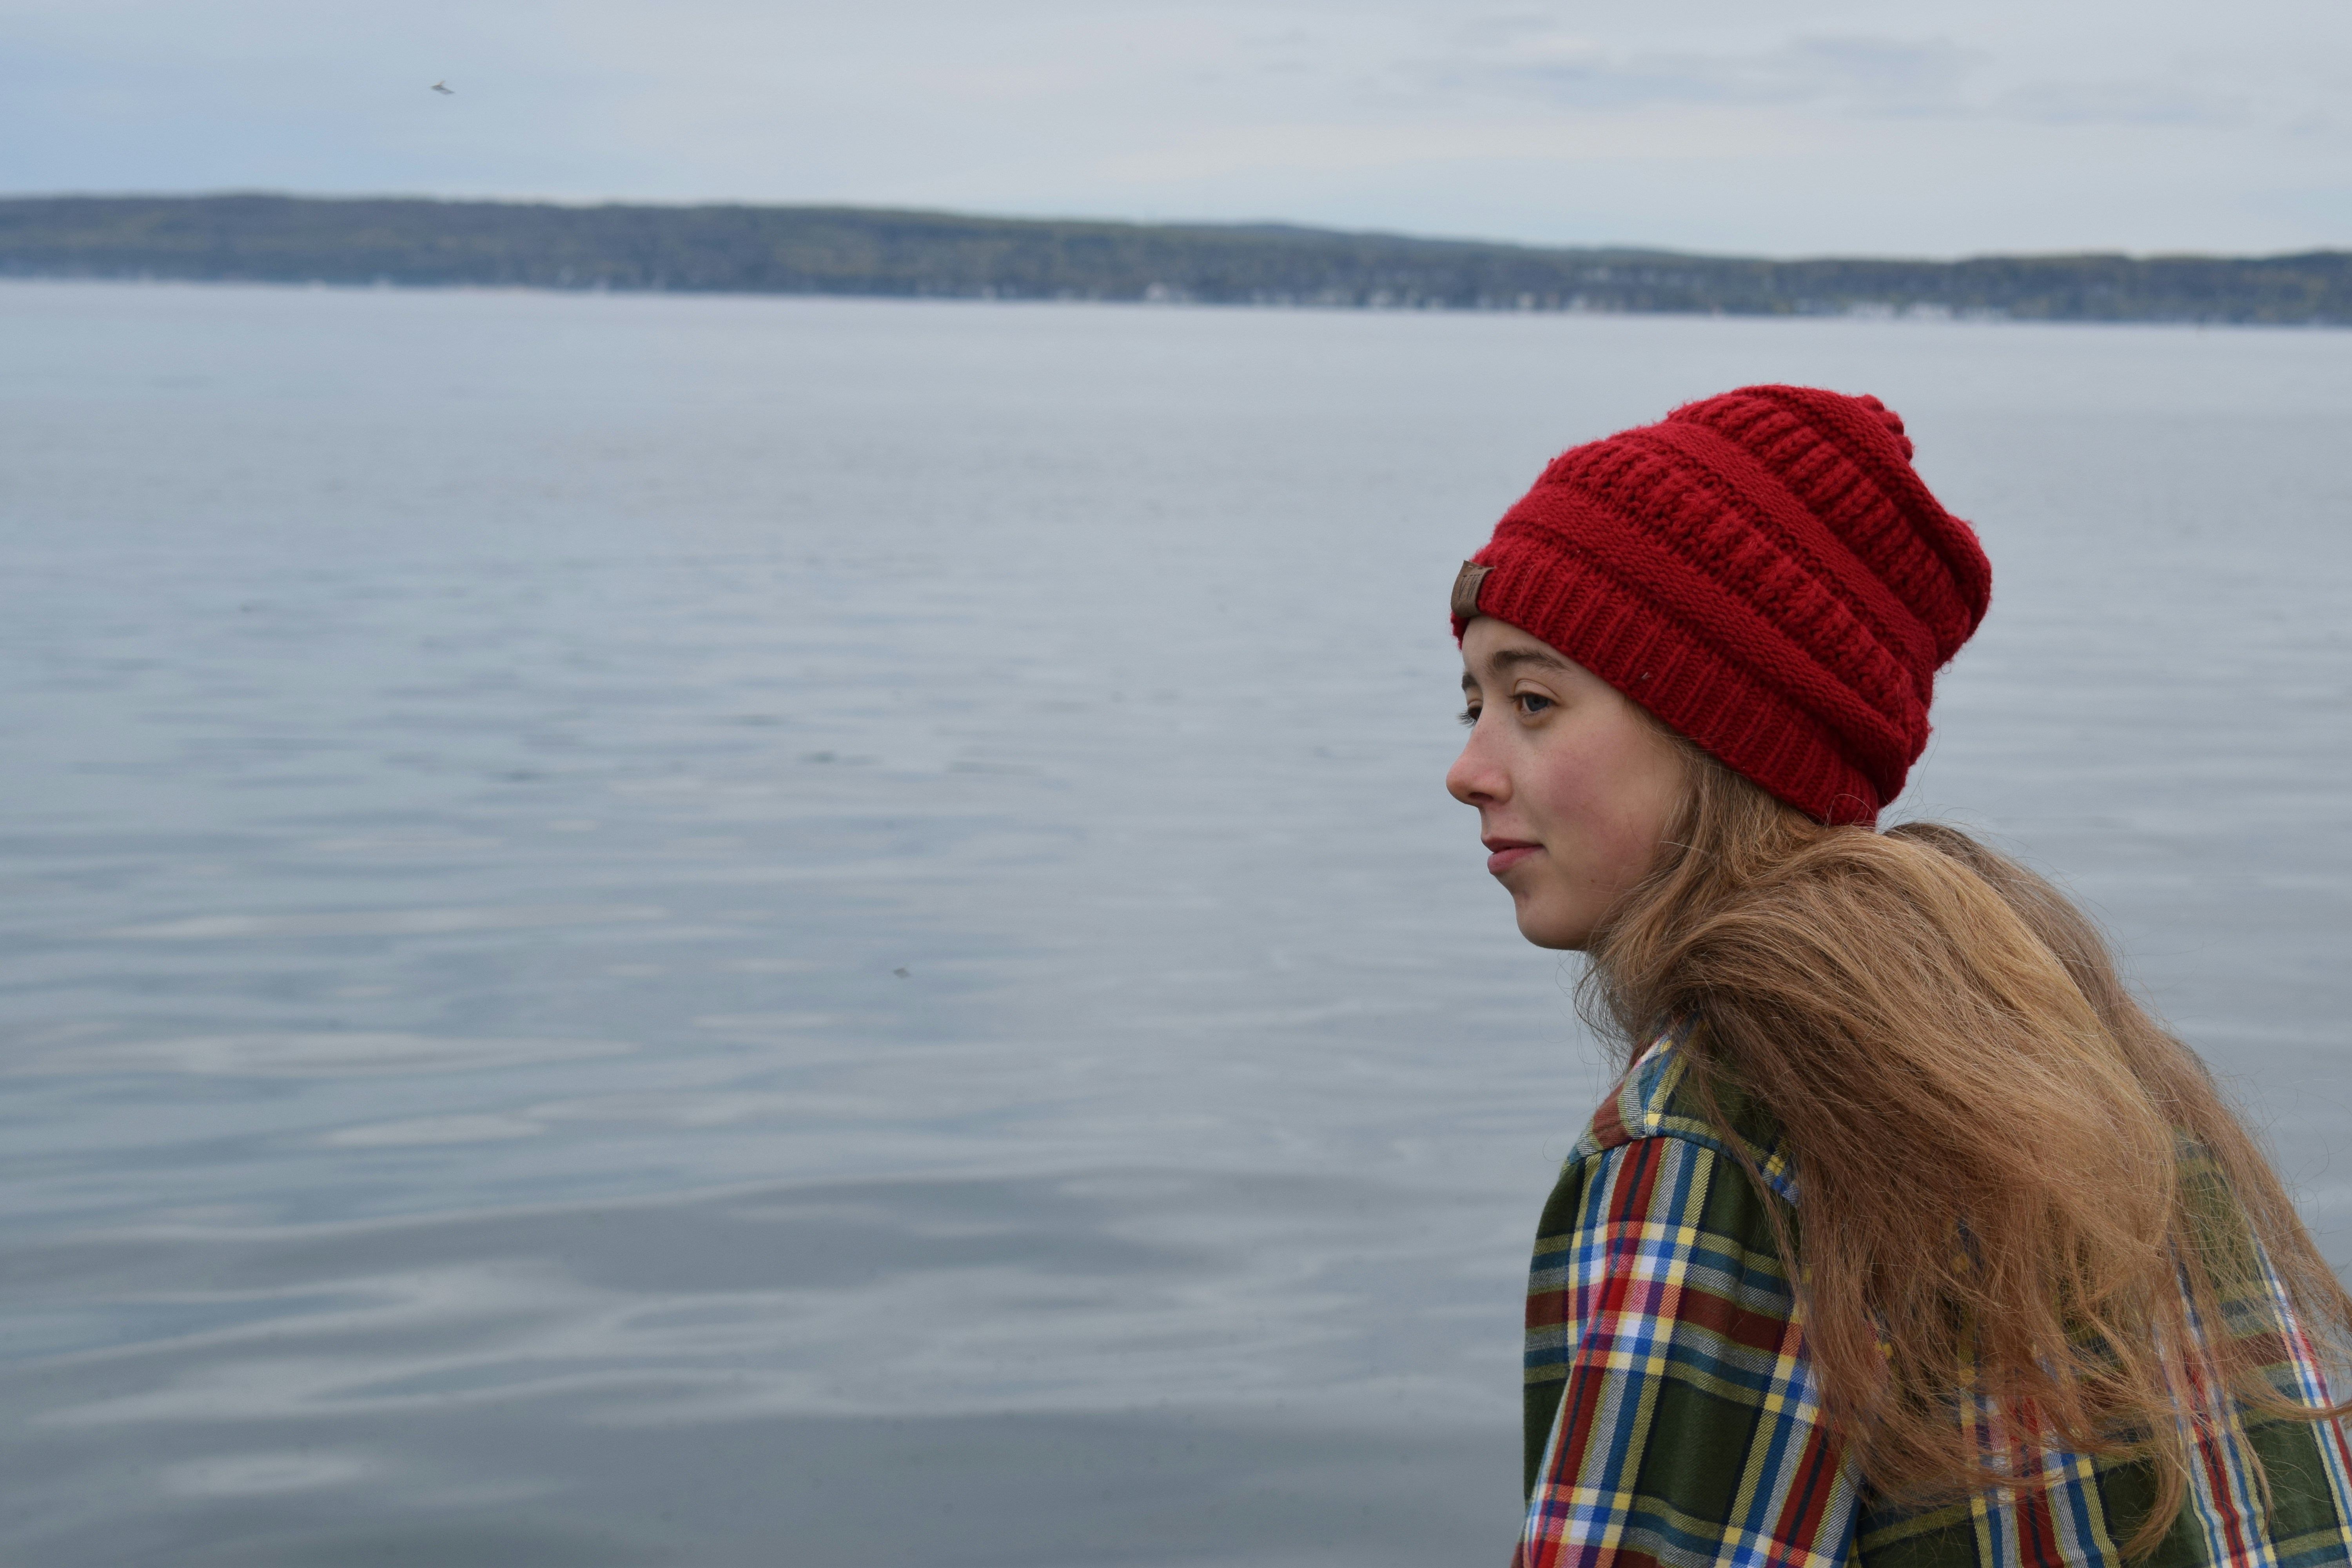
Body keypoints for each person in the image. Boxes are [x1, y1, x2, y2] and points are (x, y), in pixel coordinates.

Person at [1443, 385, 2352, 1568]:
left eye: (1531, 702)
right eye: (1472, 703)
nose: (1468, 768)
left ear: (1723, 724)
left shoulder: (1720, 1133)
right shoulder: (2076, 1057)